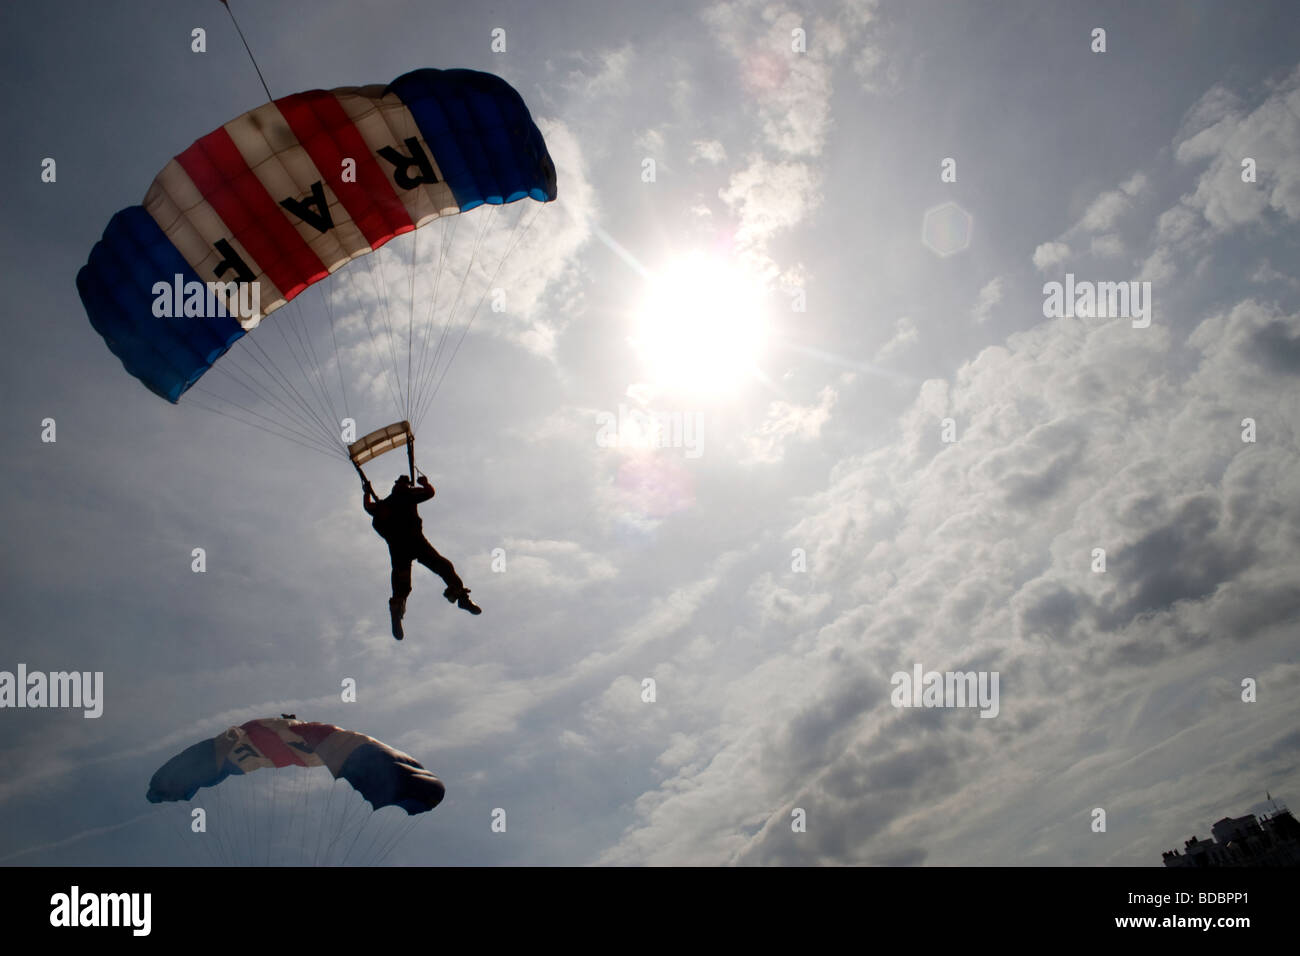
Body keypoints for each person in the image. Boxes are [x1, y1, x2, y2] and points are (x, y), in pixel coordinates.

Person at [363, 474, 480, 640]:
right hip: (405, 544)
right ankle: (397, 609)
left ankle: (461, 596)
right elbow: (429, 492)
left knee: (443, 567)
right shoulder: (392, 502)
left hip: (411, 543)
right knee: (406, 580)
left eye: (404, 484)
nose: (402, 486)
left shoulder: (400, 499)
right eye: (401, 483)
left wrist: (367, 493)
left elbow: (428, 493)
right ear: (395, 486)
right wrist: (424, 483)